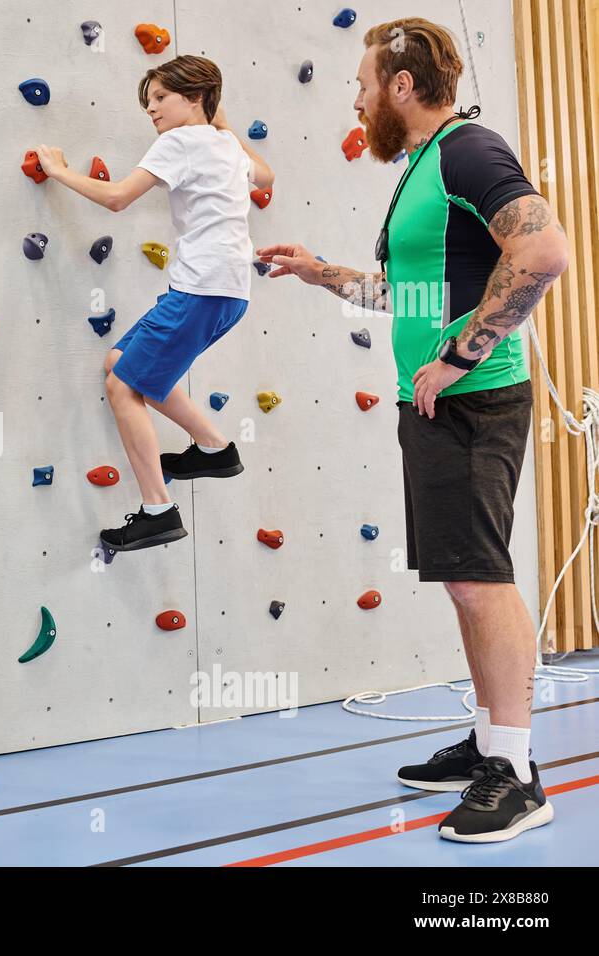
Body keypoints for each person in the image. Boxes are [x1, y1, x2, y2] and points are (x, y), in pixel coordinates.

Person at [257, 17, 569, 843]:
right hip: (431, 407)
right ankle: (490, 739)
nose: (355, 99)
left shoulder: (467, 149)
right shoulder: (424, 168)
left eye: (362, 85)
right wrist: (317, 272)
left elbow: (542, 252)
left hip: (474, 401)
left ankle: (517, 773)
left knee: (480, 580)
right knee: (462, 581)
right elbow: (407, 295)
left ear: (400, 87)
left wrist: (463, 357)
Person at [36, 55, 274, 553]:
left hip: (201, 289)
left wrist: (58, 172)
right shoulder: (223, 143)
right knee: (120, 362)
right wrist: (222, 122)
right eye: (149, 103)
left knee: (123, 387)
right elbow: (266, 177)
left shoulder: (180, 141)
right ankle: (214, 448)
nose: (152, 110)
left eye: (161, 98)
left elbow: (120, 198)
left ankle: (157, 511)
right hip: (226, 293)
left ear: (196, 98)